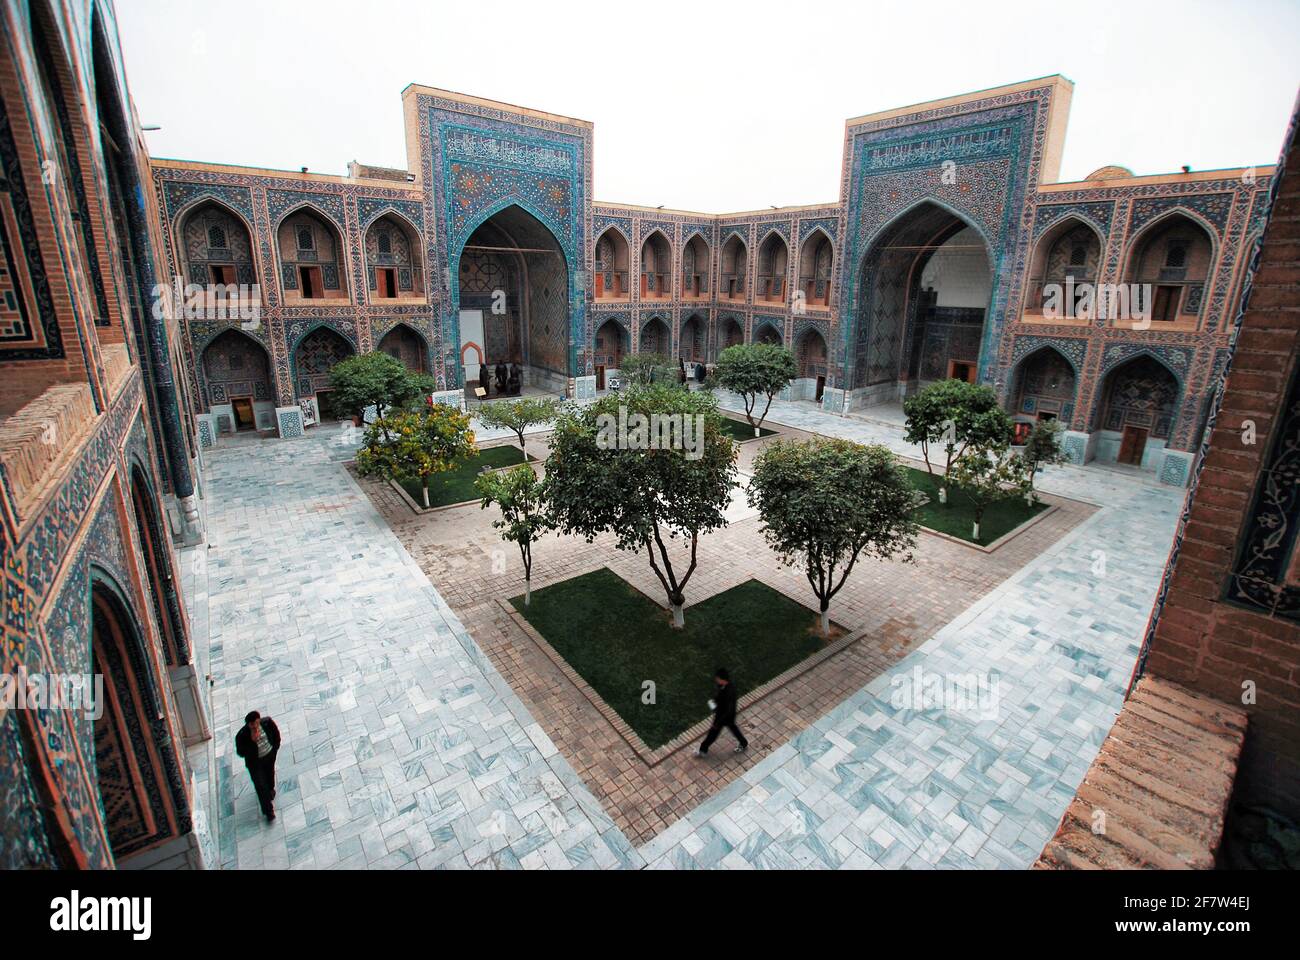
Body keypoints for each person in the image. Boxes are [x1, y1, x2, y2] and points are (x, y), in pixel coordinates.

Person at [235, 711, 281, 820]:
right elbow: (240, 752)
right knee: (260, 785)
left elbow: (276, 735)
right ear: (248, 725)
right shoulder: (242, 735)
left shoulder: (267, 723)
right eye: (252, 725)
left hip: (269, 755)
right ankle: (268, 811)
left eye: (256, 723)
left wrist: (275, 748)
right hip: (255, 763)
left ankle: (270, 789)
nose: (255, 726)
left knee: (269, 775)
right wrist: (252, 742)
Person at [695, 668, 748, 756]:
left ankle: (702, 750)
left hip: (723, 717)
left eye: (718, 678)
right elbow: (720, 697)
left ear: (722, 679)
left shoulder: (730, 692)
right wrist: (714, 701)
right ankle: (743, 742)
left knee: (713, 733)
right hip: (726, 716)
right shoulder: (725, 686)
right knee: (733, 729)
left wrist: (717, 722)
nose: (716, 680)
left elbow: (728, 709)